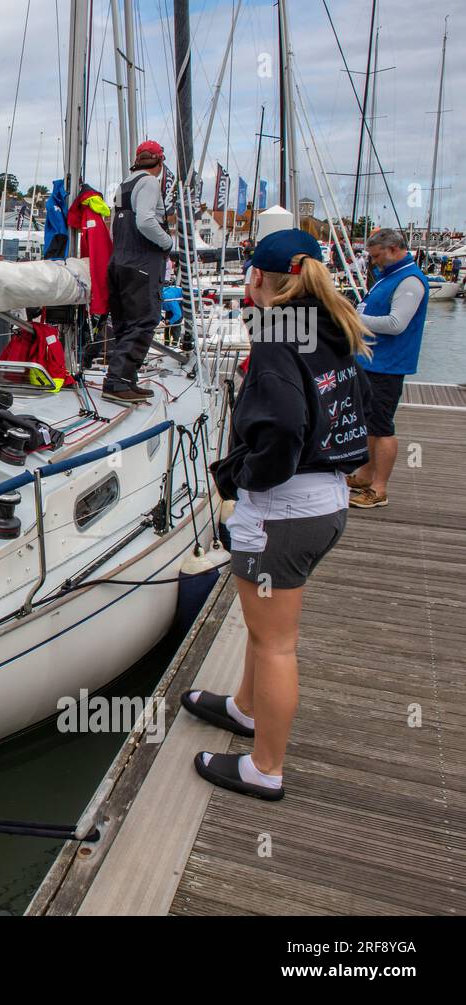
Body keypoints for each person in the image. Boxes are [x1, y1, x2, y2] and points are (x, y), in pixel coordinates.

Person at [186, 228, 371, 801]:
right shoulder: (332, 326)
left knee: (275, 643)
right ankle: (245, 708)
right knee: (265, 629)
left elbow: (286, 425)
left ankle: (265, 768)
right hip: (326, 500)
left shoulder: (273, 335)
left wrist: (246, 475)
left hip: (285, 513)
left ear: (259, 279)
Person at [346, 228, 429, 509]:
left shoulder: (409, 281)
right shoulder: (390, 277)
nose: (374, 261)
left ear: (394, 249)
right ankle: (367, 474)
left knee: (382, 427)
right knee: (369, 423)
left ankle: (379, 489)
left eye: (378, 256)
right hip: (372, 361)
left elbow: (396, 324)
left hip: (387, 365)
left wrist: (356, 318)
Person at [102, 140, 177, 404]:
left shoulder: (124, 185)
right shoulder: (149, 183)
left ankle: (124, 379)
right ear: (159, 163)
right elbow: (145, 220)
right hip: (142, 263)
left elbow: (114, 228)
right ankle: (118, 382)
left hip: (120, 261)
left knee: (125, 323)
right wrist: (168, 243)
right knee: (145, 320)